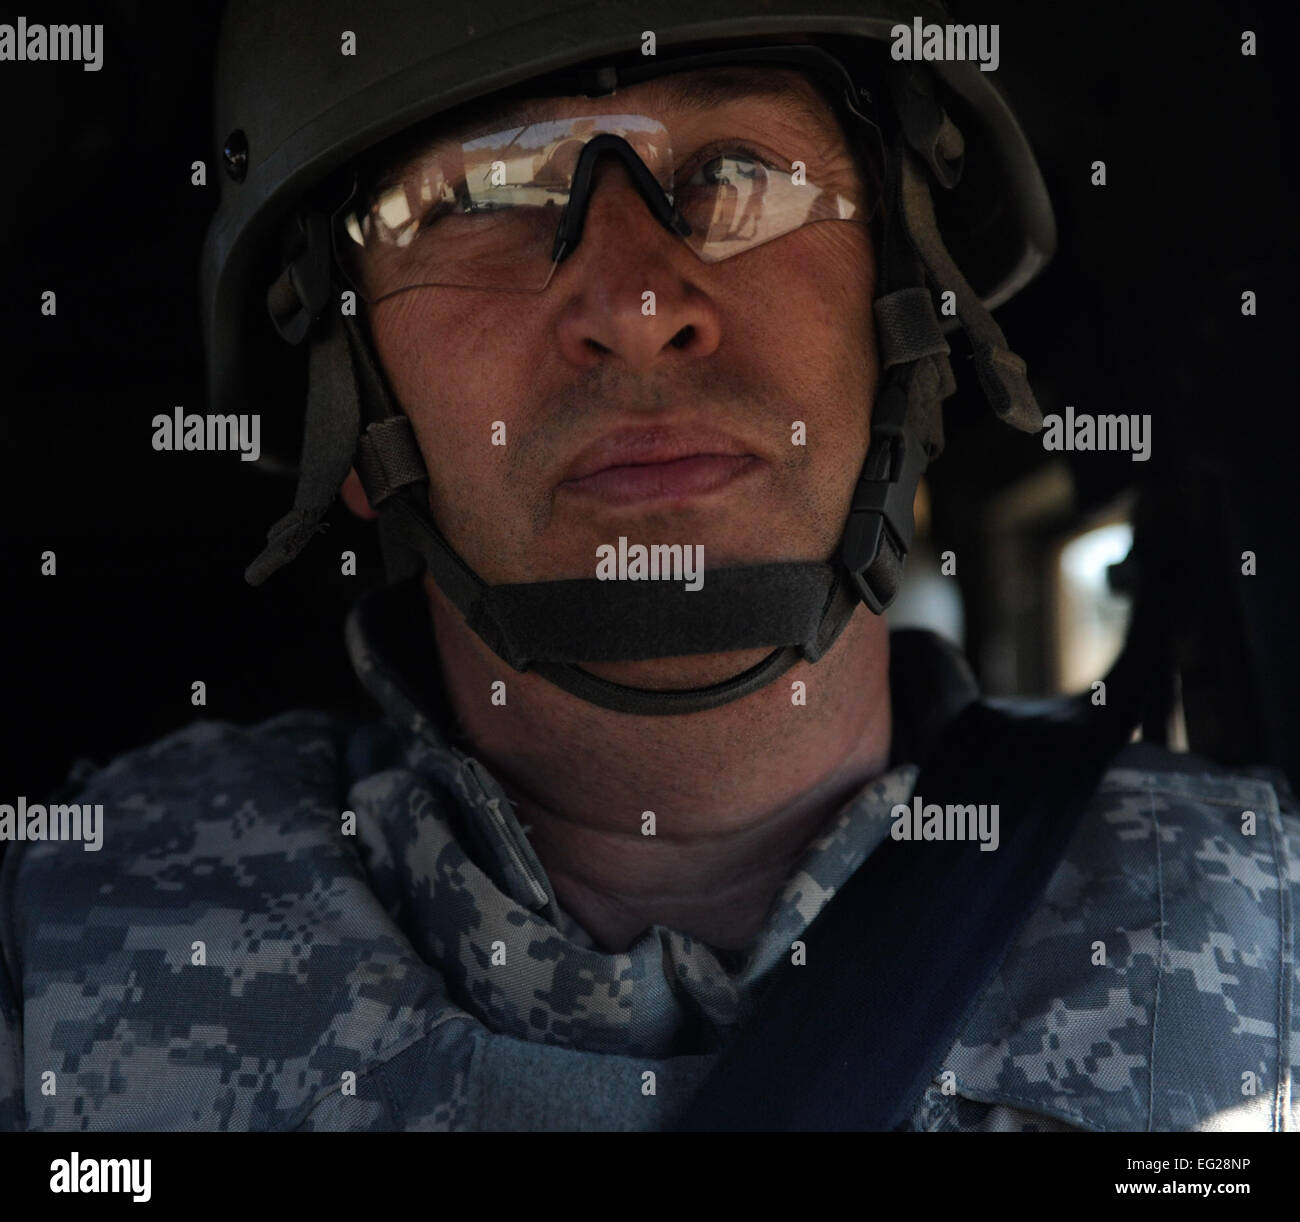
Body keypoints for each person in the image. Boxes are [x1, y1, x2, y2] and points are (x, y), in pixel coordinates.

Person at [1, 0, 1295, 1133]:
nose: (635, 301)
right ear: (353, 415)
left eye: (742, 171)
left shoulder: (1252, 916)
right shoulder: (70, 948)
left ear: (912, 328)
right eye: (485, 198)